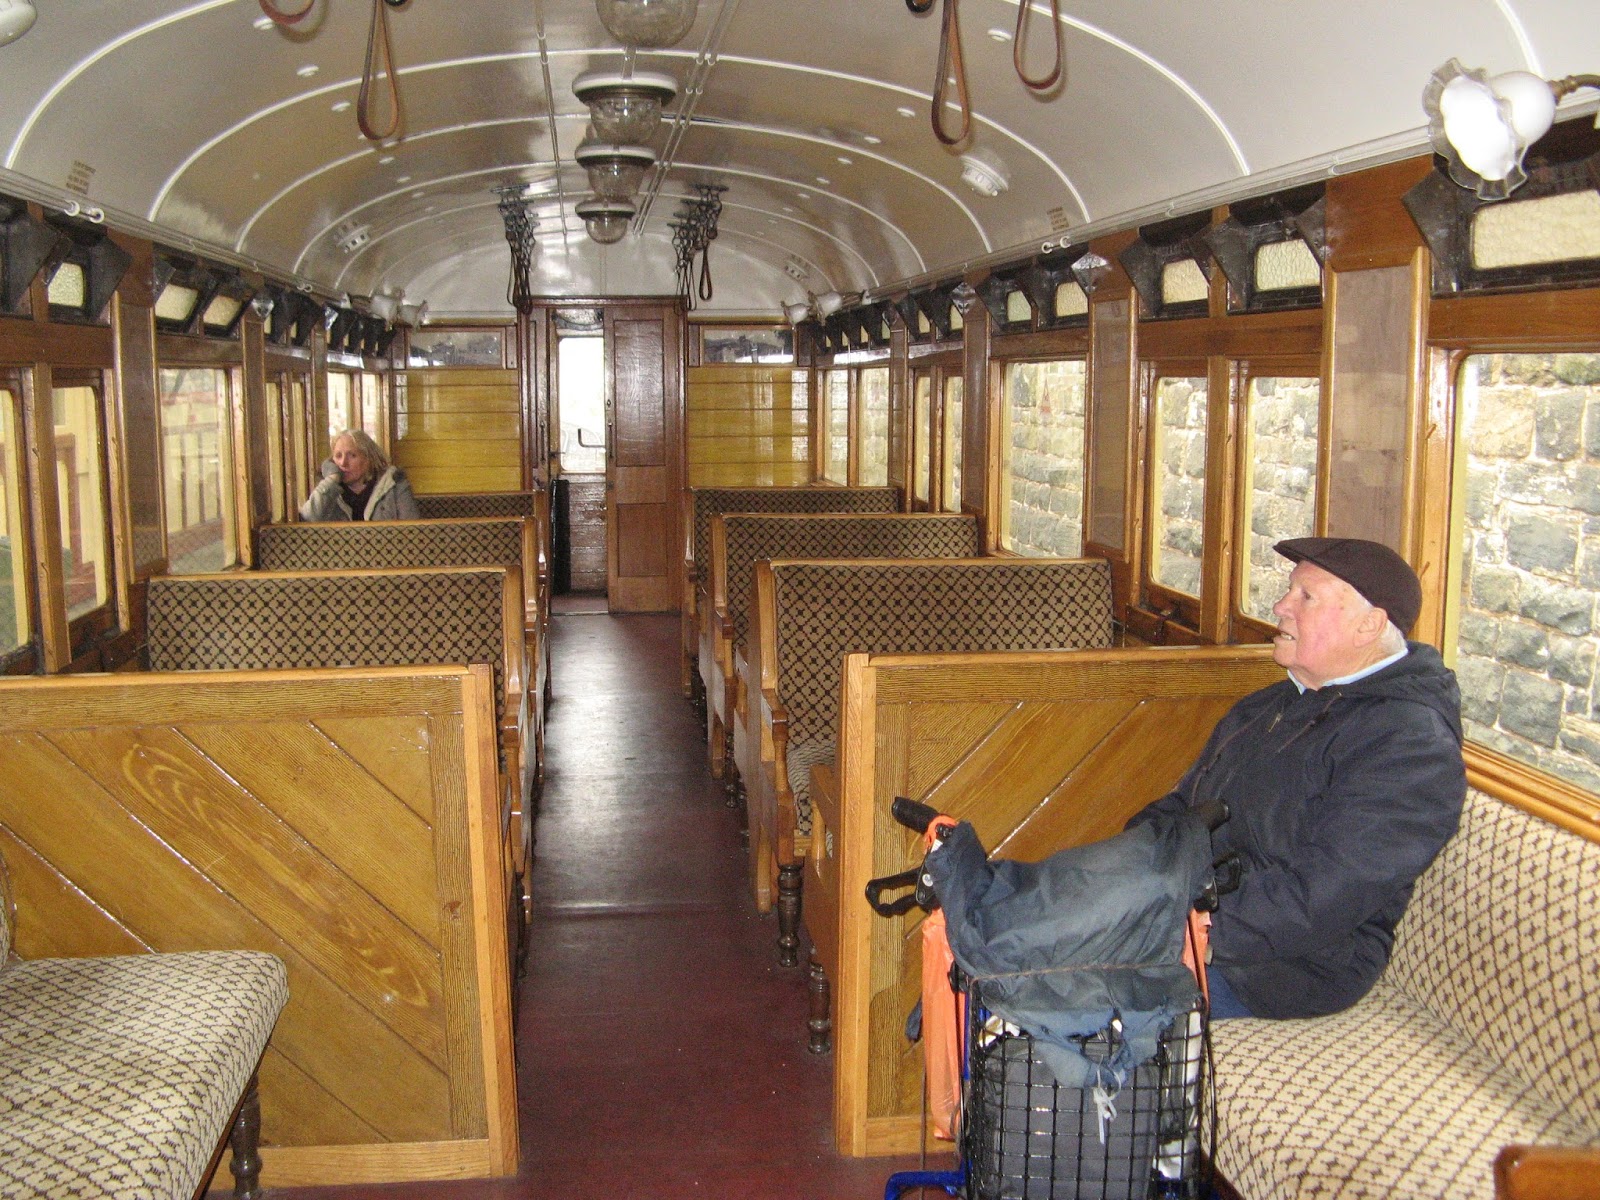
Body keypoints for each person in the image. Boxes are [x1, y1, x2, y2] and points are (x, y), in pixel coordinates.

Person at [1129, 537, 1465, 1021]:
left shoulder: (1410, 745)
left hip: (1282, 967)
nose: (1280, 606)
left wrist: (1190, 931)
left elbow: (1325, 894)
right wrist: (1120, 869)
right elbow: (1185, 807)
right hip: (1186, 907)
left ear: (1369, 625)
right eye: (1289, 592)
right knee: (1016, 922)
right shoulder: (1268, 706)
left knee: (1040, 984)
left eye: (1306, 597)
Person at [299, 429, 421, 522]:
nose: (343, 463)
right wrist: (331, 480)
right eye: (338, 456)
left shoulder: (394, 483)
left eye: (352, 455)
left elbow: (412, 531)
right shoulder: (329, 489)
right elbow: (305, 521)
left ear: (368, 458)